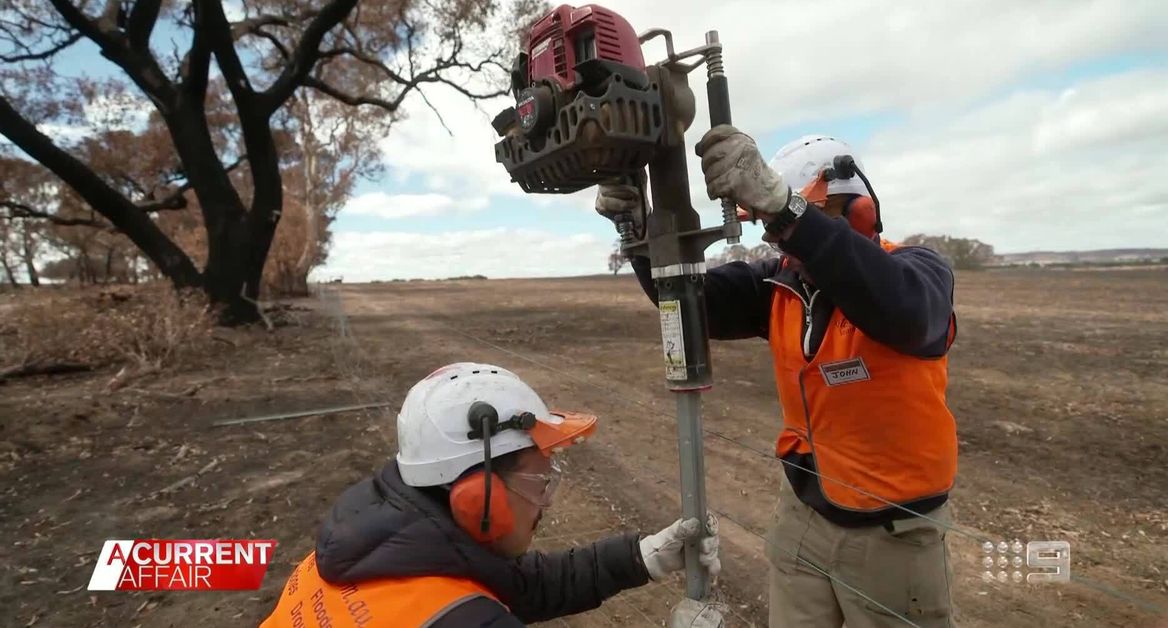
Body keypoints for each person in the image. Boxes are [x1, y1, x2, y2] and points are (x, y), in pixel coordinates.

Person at [597, 129, 958, 627]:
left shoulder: (918, 273)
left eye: (787, 222)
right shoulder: (780, 282)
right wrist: (639, 236)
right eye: (771, 227)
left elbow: (905, 311)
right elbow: (687, 304)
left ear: (859, 213)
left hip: (892, 535)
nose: (778, 239)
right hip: (803, 518)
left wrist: (790, 214)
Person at [259, 362, 722, 628]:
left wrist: (642, 558)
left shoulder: (362, 552)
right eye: (540, 484)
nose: (548, 503)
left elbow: (517, 583)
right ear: (473, 496)